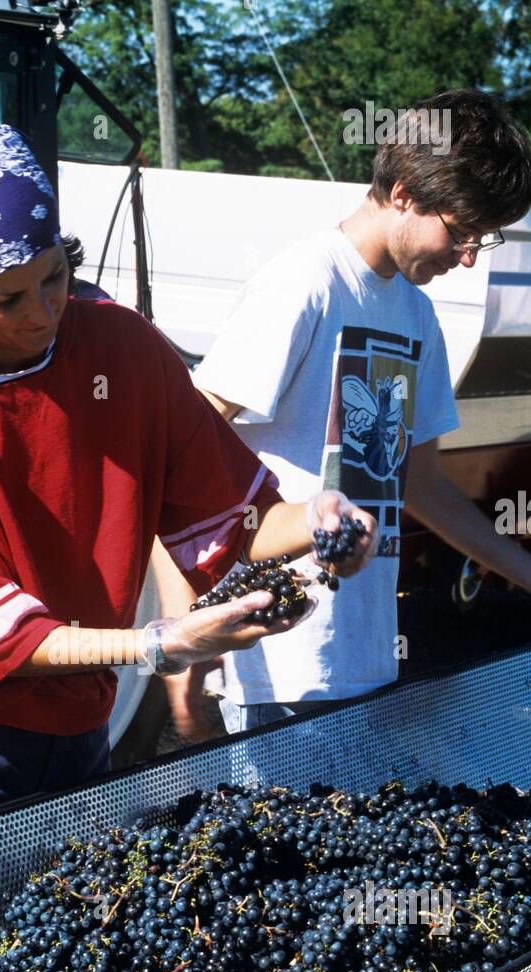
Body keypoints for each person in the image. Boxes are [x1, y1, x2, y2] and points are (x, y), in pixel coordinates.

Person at [0, 124, 378, 849]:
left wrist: (321, 519)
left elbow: (239, 518)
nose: (40, 312)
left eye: (53, 279)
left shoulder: (122, 346)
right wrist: (154, 646)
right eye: (5, 300)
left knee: (57, 952)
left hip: (81, 724)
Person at [153, 88, 531, 740]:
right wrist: (179, 651)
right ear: (405, 191)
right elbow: (168, 458)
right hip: (272, 668)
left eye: (484, 237)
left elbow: (422, 484)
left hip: (364, 662)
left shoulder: (416, 313)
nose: (469, 255)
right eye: (460, 229)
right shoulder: (304, 282)